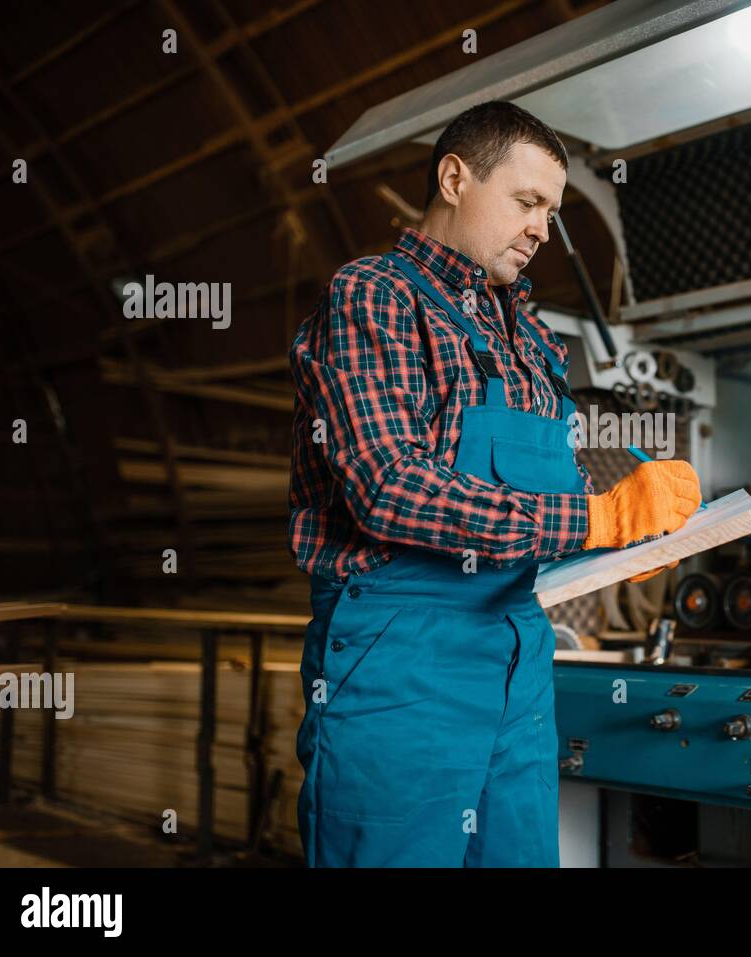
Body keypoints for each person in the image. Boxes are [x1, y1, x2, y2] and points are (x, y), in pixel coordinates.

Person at [287, 101, 701, 867]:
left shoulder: (531, 337)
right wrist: (593, 519)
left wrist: (626, 544)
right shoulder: (374, 297)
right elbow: (391, 488)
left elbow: (547, 507)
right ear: (454, 178)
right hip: (402, 666)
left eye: (553, 210)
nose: (543, 227)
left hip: (517, 661)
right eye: (527, 201)